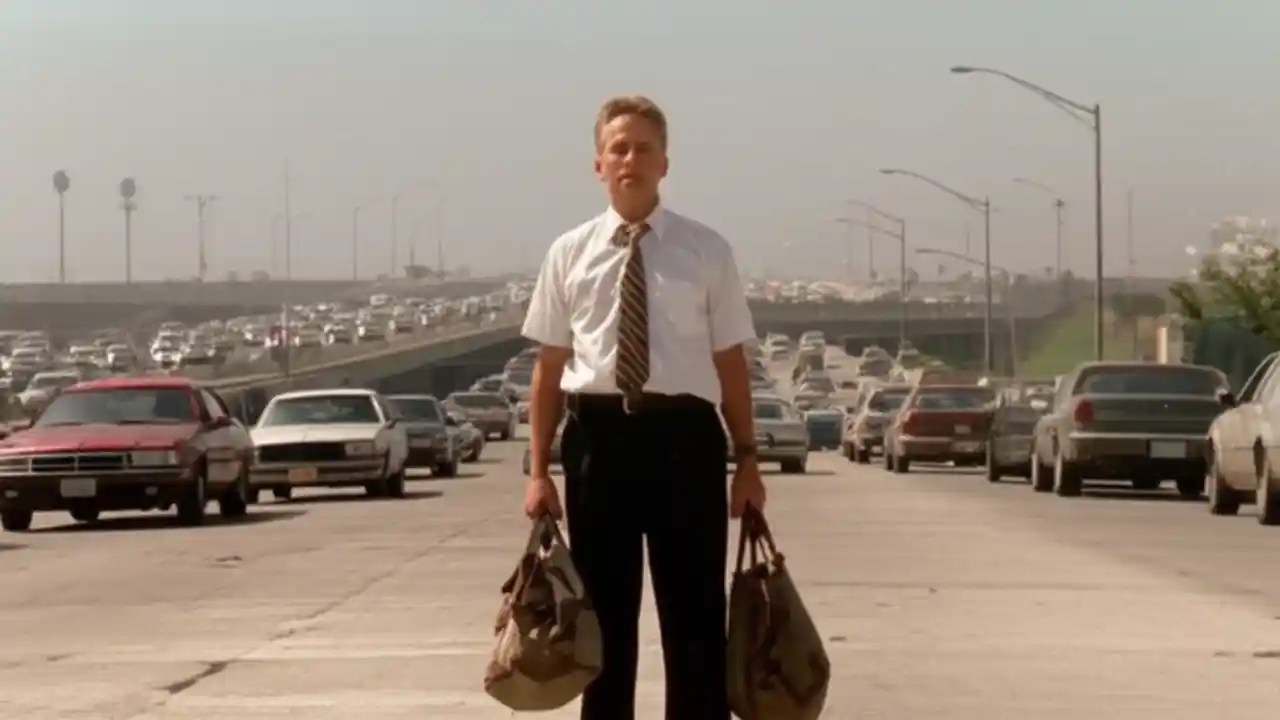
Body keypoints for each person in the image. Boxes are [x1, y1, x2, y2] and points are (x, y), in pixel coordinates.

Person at [520, 95, 767, 720]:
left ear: (665, 163)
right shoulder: (569, 253)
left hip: (686, 441)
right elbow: (549, 369)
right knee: (602, 622)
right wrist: (538, 471)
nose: (630, 159)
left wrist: (748, 461)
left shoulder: (706, 251)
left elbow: (730, 363)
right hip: (599, 443)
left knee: (696, 617)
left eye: (643, 148)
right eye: (619, 148)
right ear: (598, 164)